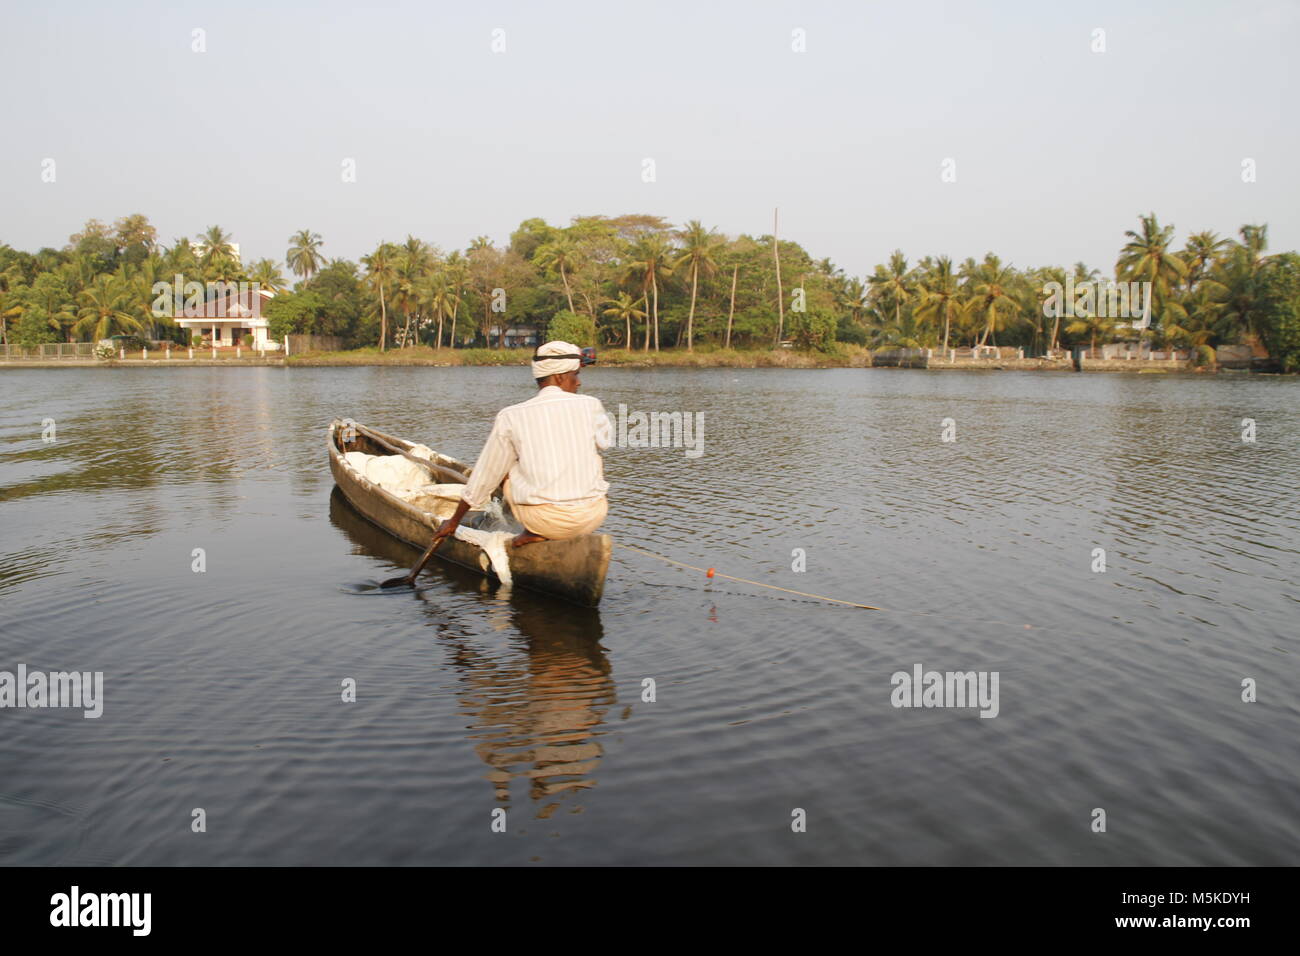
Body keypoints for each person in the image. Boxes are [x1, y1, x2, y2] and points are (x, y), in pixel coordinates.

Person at [432, 340, 610, 549]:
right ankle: (552, 526)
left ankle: (533, 531)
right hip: (594, 514)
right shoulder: (592, 405)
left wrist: (453, 522)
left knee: (505, 468)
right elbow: (603, 442)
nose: (578, 383)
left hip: (544, 521)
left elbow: (485, 476)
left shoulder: (511, 415)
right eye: (576, 375)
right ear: (560, 376)